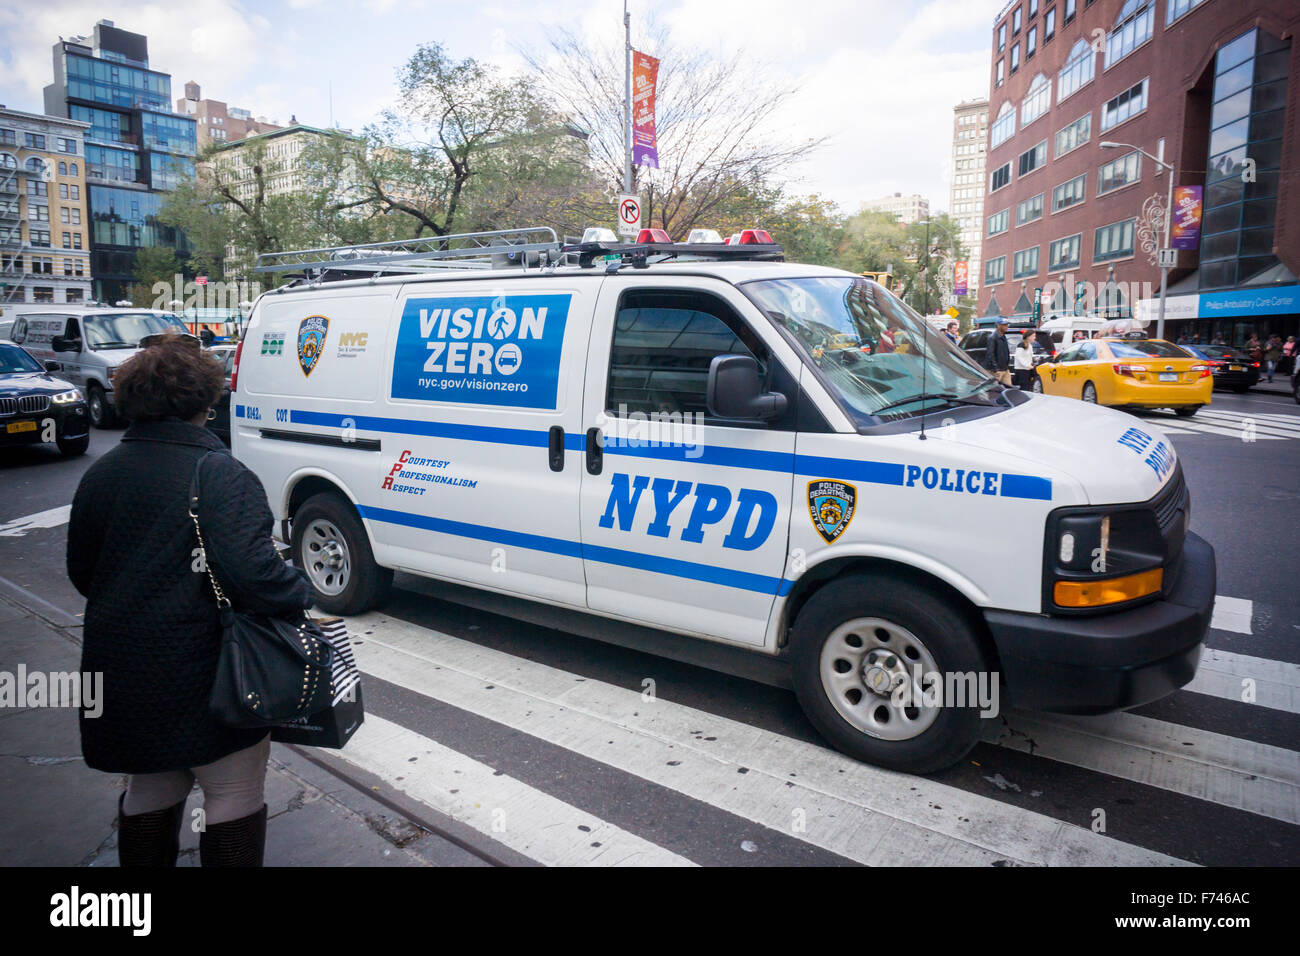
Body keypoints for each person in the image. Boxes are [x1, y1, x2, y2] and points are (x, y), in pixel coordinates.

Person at [67, 333, 312, 867]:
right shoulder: (219, 473)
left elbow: (84, 574)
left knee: (151, 788)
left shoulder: (100, 475)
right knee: (232, 792)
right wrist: (301, 588)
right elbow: (255, 576)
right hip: (206, 671)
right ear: (208, 399)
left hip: (123, 673)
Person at [988, 318, 1012, 386]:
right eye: (1004, 325)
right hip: (997, 370)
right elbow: (990, 354)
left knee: (1008, 388)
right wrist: (995, 369)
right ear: (998, 326)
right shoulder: (993, 337)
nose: (1007, 326)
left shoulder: (1003, 336)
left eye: (1007, 325)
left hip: (1005, 369)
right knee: (994, 389)